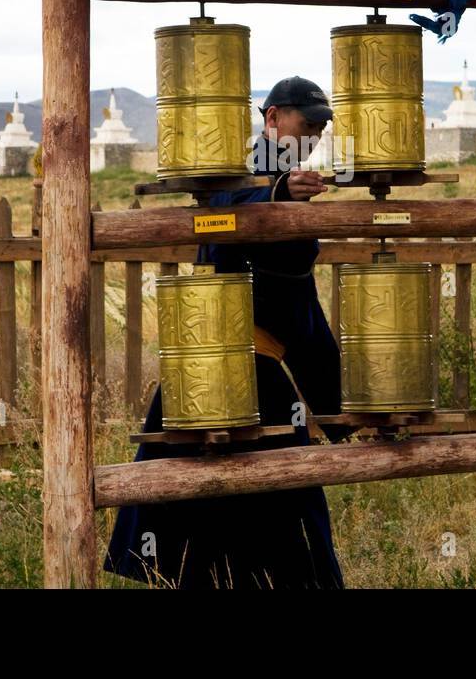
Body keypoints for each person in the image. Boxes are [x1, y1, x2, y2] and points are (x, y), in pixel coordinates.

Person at [104, 76, 348, 589]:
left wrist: (335, 406)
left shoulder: (286, 183)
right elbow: (219, 211)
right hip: (226, 370)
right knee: (241, 512)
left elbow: (300, 306)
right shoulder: (236, 176)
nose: (314, 139)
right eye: (307, 126)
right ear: (274, 118)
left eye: (322, 130)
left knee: (259, 510)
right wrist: (279, 192)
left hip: (256, 369)